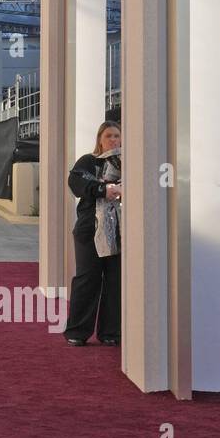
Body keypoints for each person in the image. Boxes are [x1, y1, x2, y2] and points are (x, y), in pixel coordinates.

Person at [63, 121, 122, 347]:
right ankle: (77, 331)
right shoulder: (89, 161)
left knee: (115, 282)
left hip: (120, 232)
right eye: (109, 135)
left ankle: (111, 332)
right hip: (90, 231)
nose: (113, 140)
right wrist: (103, 189)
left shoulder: (129, 164)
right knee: (87, 279)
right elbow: (76, 183)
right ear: (100, 139)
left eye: (117, 135)